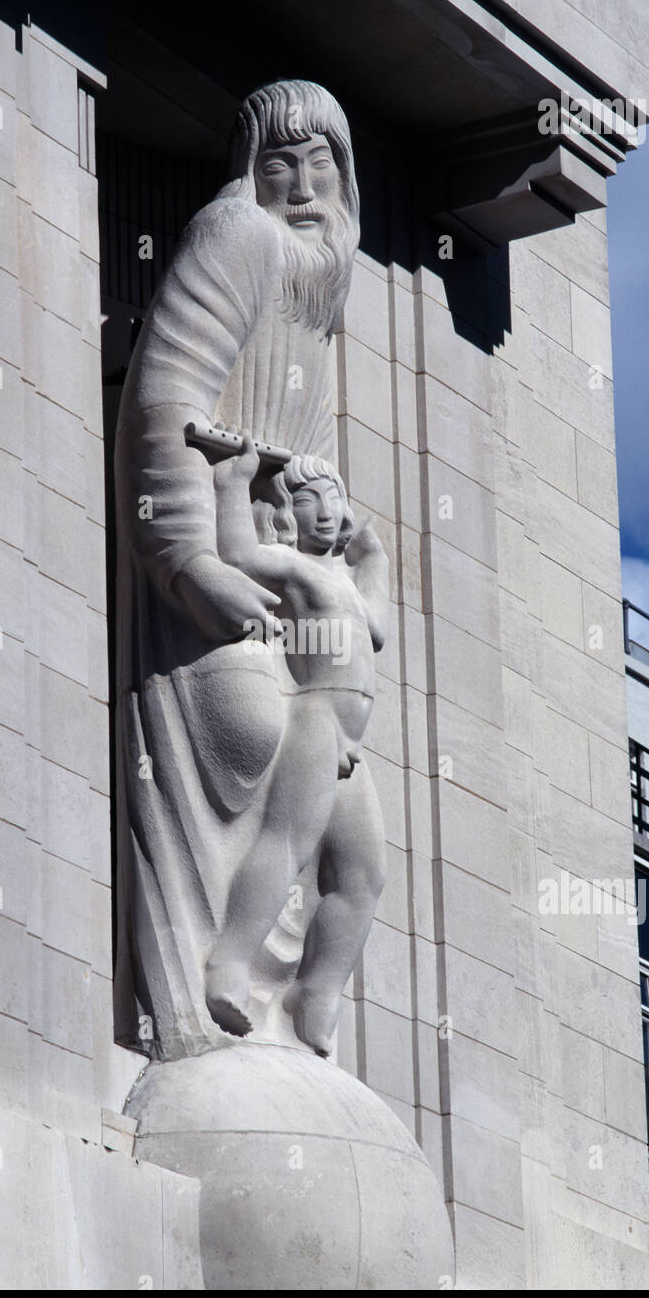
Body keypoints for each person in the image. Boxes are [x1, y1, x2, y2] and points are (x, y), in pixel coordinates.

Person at [113, 80, 367, 1056]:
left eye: (323, 164)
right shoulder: (238, 237)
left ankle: (285, 1021)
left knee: (340, 840)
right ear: (248, 174)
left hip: (290, 592)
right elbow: (163, 397)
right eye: (279, 163)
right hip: (219, 571)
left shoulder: (320, 286)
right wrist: (185, 559)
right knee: (246, 743)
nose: (302, 184)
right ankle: (197, 1007)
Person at [202, 435, 388, 1054]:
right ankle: (229, 964)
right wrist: (234, 482)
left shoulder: (350, 588)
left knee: (363, 877)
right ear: (290, 511)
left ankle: (317, 993)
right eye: (309, 501)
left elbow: (379, 628)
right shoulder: (296, 568)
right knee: (286, 843)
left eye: (333, 499)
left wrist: (376, 556)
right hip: (317, 720)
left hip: (352, 744)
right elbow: (236, 553)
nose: (326, 512)